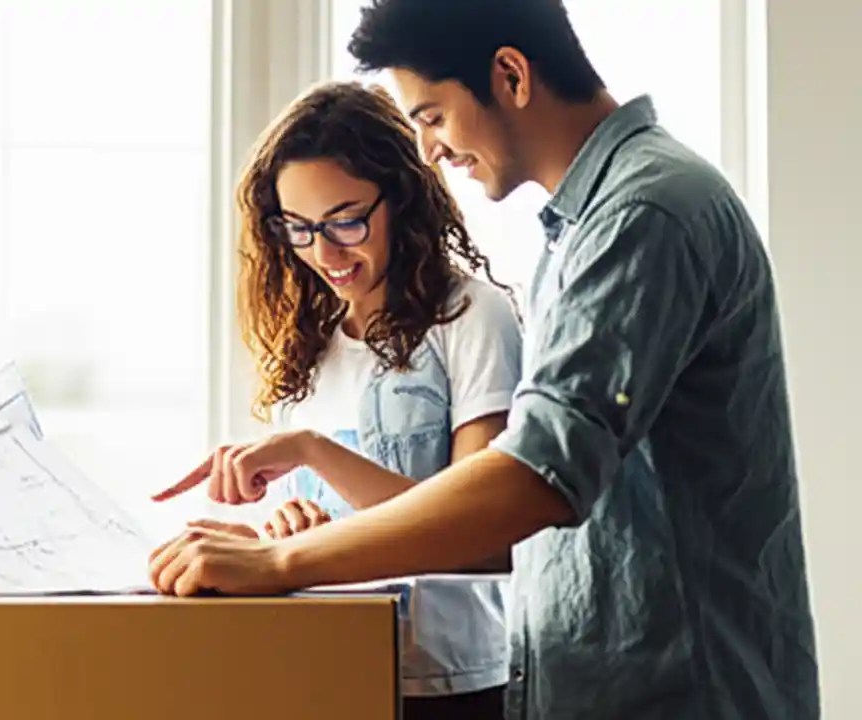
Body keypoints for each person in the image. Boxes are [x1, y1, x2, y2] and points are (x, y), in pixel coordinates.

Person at [148, 1, 819, 718]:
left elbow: (535, 477)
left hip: (677, 697)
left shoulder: (643, 215)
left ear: (510, 75)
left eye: (433, 117)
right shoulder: (594, 225)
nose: (430, 150)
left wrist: (280, 563)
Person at [154, 80, 521, 718]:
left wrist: (313, 451)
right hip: (331, 666)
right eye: (297, 228)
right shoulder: (312, 343)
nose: (323, 253)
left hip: (449, 682)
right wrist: (285, 534)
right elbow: (337, 539)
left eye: (346, 220)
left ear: (402, 199)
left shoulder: (471, 318)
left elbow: (485, 534)